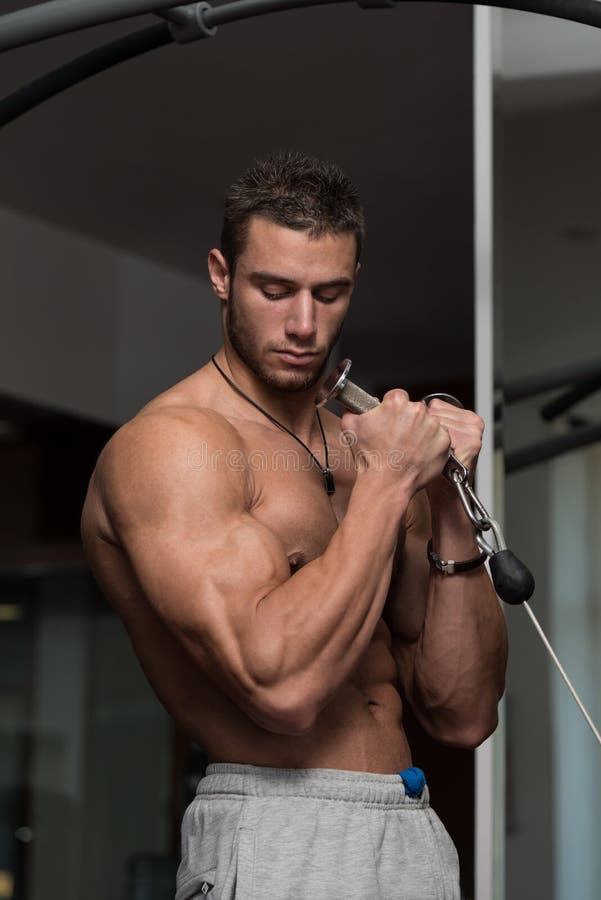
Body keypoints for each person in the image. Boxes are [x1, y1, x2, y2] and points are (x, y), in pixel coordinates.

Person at [81, 150, 507, 899]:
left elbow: (462, 713)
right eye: (274, 290)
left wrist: (443, 497)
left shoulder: (366, 451)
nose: (304, 324)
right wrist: (390, 481)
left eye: (328, 293)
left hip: (407, 821)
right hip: (276, 823)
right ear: (221, 275)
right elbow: (279, 690)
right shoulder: (175, 446)